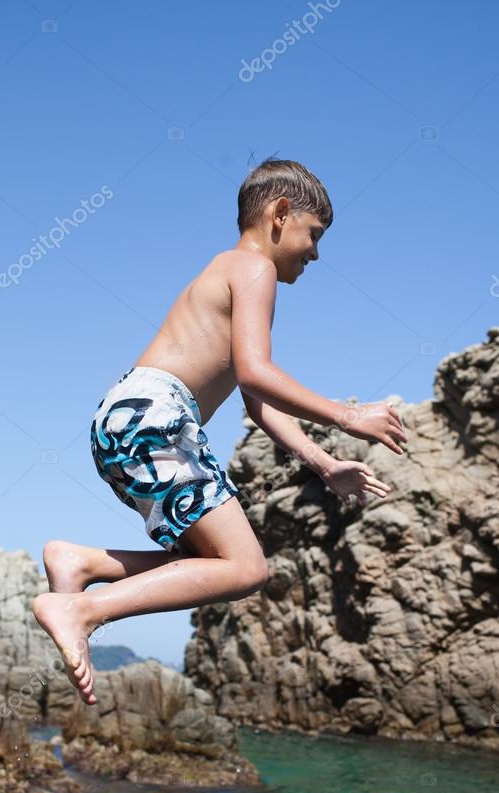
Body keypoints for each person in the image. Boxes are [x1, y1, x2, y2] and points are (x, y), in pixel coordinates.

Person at [32, 158, 408, 705]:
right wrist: (349, 417)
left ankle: (84, 564)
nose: (316, 253)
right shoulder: (251, 268)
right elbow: (259, 373)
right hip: (158, 418)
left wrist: (325, 464)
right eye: (314, 234)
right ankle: (83, 608)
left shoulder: (230, 273)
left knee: (217, 565)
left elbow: (257, 403)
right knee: (247, 567)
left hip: (127, 419)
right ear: (281, 213)